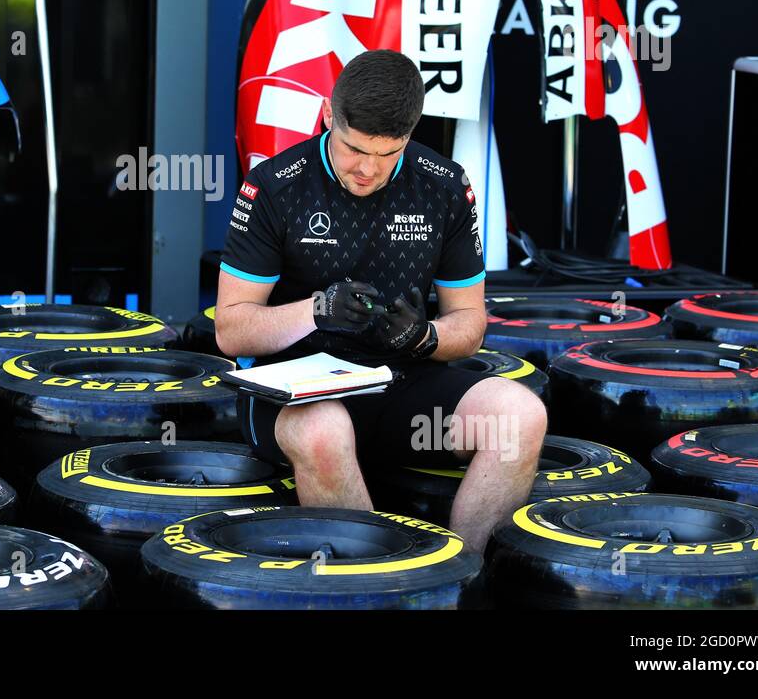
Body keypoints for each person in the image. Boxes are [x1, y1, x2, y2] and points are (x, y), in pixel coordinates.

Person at [215, 49, 546, 553]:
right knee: (324, 431)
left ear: (411, 134)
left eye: (387, 153)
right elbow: (231, 330)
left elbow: (470, 322)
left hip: (402, 383)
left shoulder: (445, 186)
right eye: (353, 149)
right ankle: (382, 584)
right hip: (295, 392)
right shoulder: (275, 186)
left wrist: (424, 336)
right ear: (329, 115)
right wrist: (317, 309)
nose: (367, 169)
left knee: (521, 415)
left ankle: (462, 581)